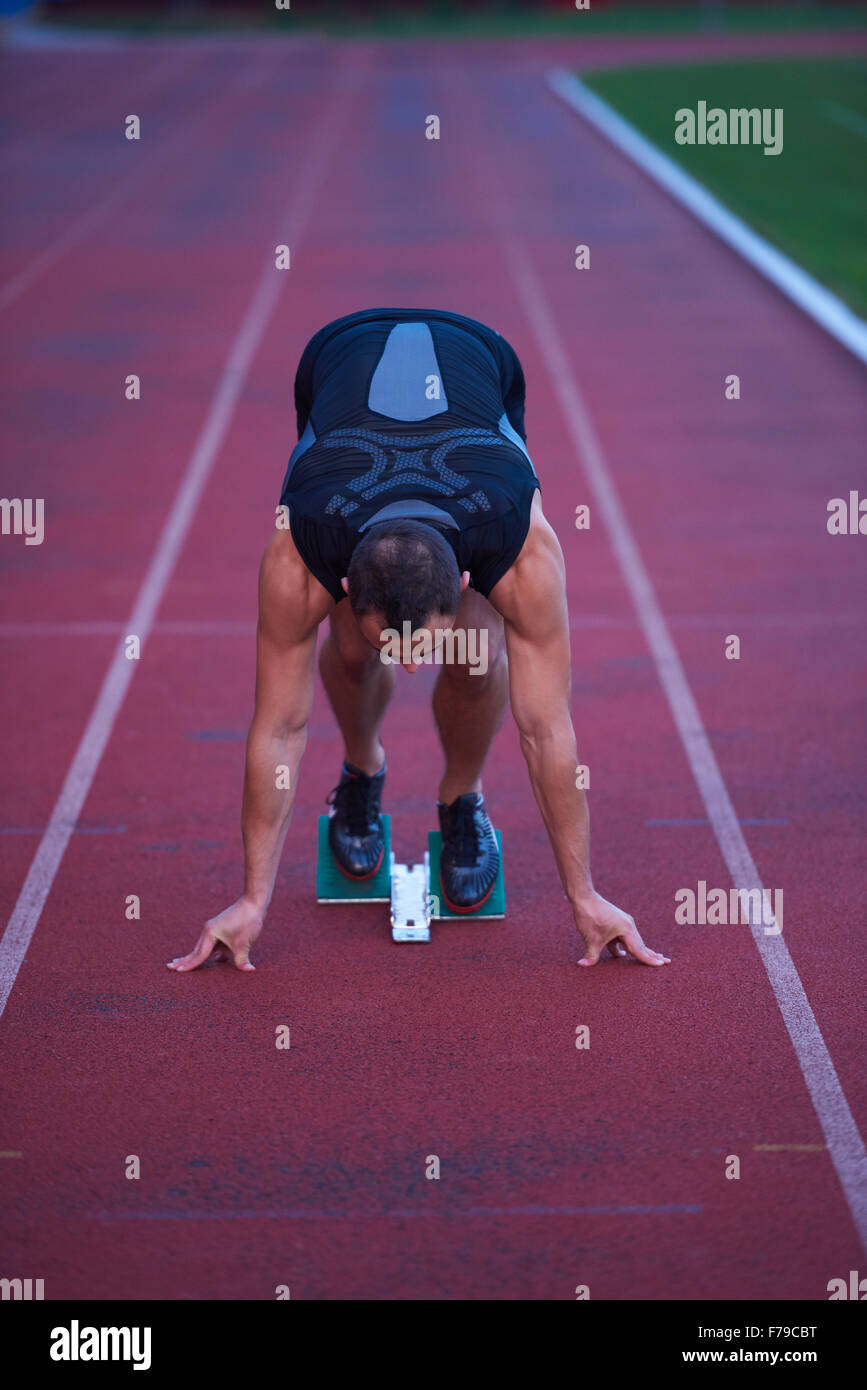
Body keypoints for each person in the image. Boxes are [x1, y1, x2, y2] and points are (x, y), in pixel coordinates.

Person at [168, 308, 670, 973]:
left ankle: (462, 798)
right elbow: (279, 728)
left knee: (477, 659)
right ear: (342, 586)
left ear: (466, 581)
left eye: (420, 645)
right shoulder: (300, 553)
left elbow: (547, 731)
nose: (408, 668)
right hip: (333, 362)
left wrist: (584, 896)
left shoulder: (517, 547)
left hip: (481, 360)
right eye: (396, 647)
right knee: (349, 651)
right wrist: (251, 900)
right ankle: (361, 771)